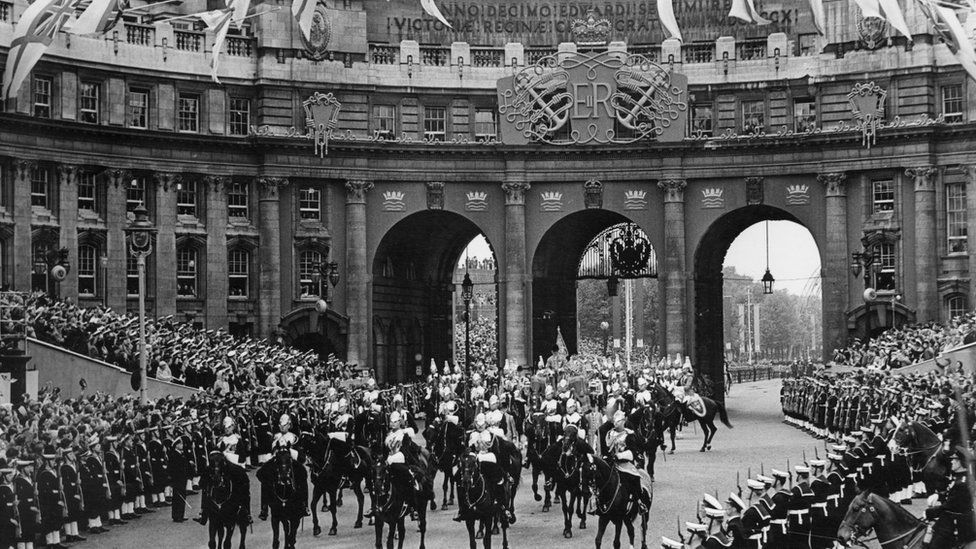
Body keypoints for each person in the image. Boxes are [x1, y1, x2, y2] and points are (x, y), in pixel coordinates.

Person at [603, 410, 651, 511]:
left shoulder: (629, 434)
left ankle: (639, 502)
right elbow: (606, 448)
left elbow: (632, 451)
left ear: (623, 421)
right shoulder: (609, 433)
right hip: (610, 463)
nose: (616, 424)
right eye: (615, 422)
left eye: (618, 421)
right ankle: (597, 502)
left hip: (624, 463)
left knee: (634, 478)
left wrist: (619, 456)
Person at [168, 434, 190, 522]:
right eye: (180, 444)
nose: (182, 445)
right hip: (177, 479)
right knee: (177, 497)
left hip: (182, 478)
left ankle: (181, 514)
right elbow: (172, 468)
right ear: (176, 445)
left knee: (182, 496)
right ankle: (176, 515)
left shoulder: (181, 454)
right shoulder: (174, 455)